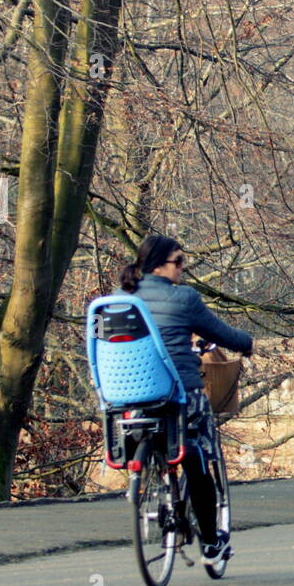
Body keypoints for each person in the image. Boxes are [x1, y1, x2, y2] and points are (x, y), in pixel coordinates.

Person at [116, 234, 253, 565]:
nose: (183, 269)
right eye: (179, 262)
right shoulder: (184, 299)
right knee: (200, 457)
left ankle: (148, 473)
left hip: (128, 396)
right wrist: (247, 343)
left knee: (155, 437)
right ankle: (210, 543)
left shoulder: (119, 300)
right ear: (159, 265)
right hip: (180, 394)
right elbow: (220, 333)